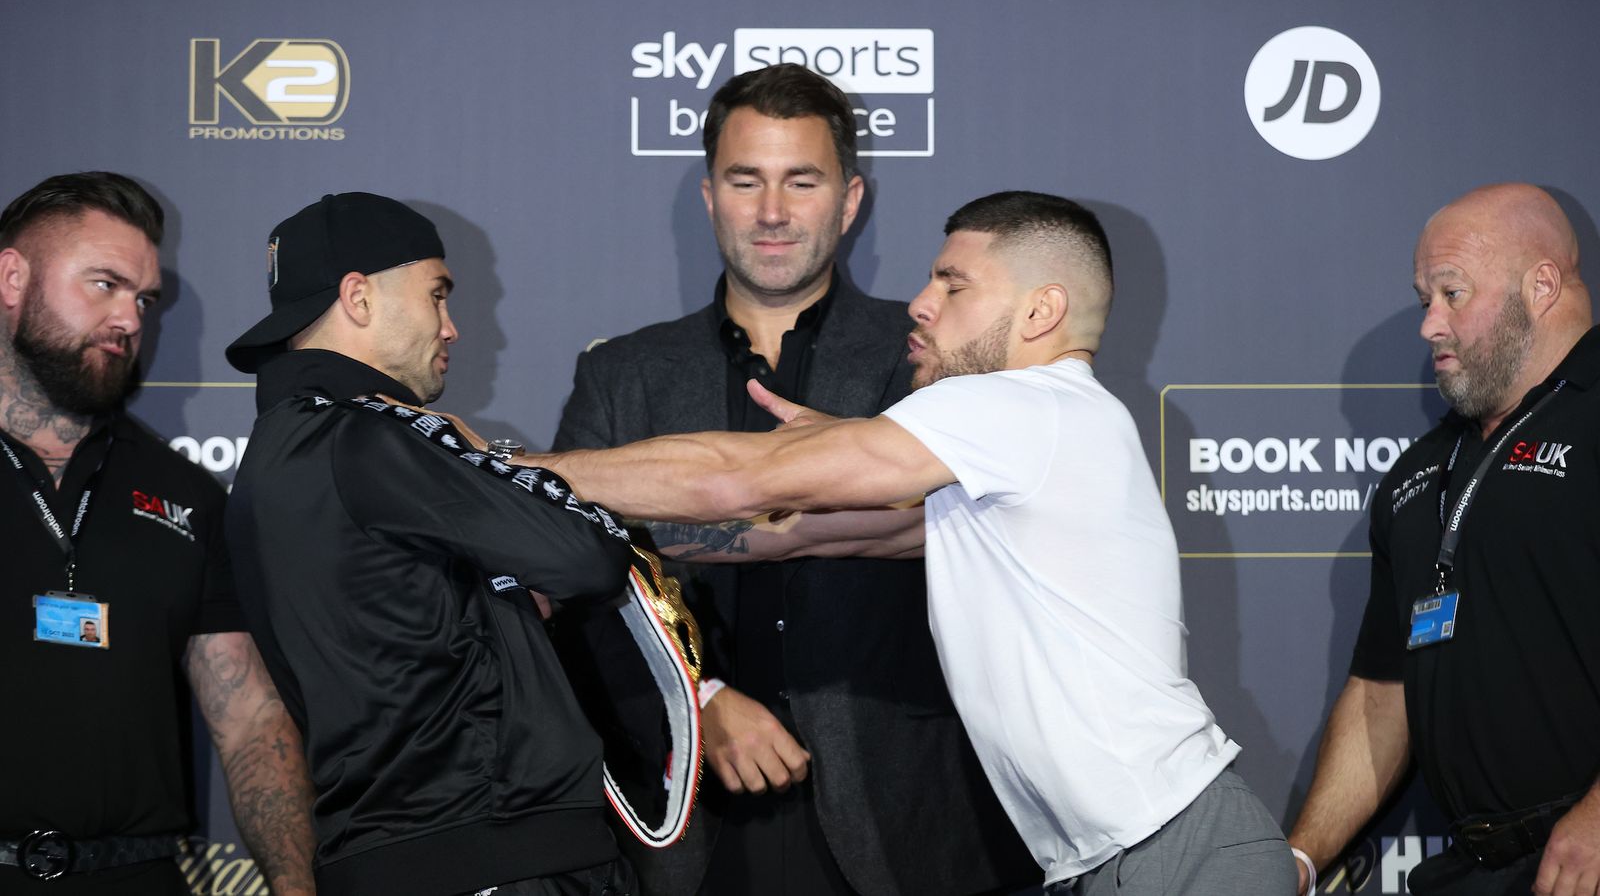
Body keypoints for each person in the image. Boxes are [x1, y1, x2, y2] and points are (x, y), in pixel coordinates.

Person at [517, 190, 1295, 894]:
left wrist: (510, 473)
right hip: (1118, 859)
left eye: (954, 285)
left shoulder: (1023, 406)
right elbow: (776, 537)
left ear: (1040, 312)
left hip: (1180, 850)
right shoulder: (1020, 451)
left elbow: (739, 481)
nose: (920, 304)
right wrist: (609, 532)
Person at [552, 63, 1031, 896]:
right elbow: (572, 580)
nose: (772, 212)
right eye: (747, 180)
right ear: (709, 196)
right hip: (683, 818)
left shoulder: (930, 359)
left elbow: (958, 544)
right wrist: (700, 701)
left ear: (849, 202)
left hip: (908, 815)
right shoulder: (622, 376)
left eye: (800, 181)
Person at [223, 193, 638, 896]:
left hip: (398, 851)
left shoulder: (272, 458)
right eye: (437, 296)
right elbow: (588, 555)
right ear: (357, 297)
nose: (452, 328)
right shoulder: (371, 436)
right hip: (492, 853)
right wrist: (498, 473)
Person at [0, 171, 314, 894]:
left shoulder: (186, 496)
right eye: (103, 285)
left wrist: (296, 888)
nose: (131, 320)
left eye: (144, 299)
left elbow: (251, 726)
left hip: (134, 875)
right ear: (13, 278)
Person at [1287, 183, 1600, 896]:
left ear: (1543, 285)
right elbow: (1380, 693)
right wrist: (1302, 858)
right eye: (1426, 298)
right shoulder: (1420, 471)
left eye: (1452, 294)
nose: (1429, 324)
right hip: (1471, 871)